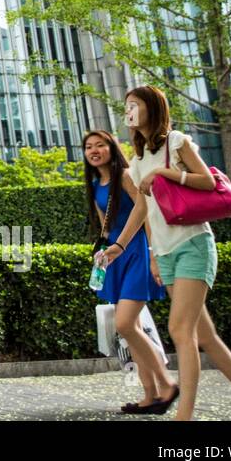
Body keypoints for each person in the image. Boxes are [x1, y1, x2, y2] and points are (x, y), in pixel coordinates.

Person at [124, 85, 231, 421]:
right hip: (166, 253)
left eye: (134, 104)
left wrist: (164, 171)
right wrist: (136, 250)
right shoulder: (135, 161)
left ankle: (185, 415)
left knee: (180, 330)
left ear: (151, 108)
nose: (129, 110)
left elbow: (208, 182)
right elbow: (142, 211)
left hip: (193, 244)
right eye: (126, 105)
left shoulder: (177, 141)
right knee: (205, 335)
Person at [83, 129, 174, 413]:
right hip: (114, 257)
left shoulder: (124, 176)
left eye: (100, 145)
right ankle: (150, 397)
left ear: (112, 148)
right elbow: (106, 226)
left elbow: (145, 209)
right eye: (89, 147)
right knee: (130, 330)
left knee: (125, 324)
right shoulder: (97, 183)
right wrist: (102, 254)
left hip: (136, 251)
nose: (94, 150)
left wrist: (153, 256)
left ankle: (167, 384)